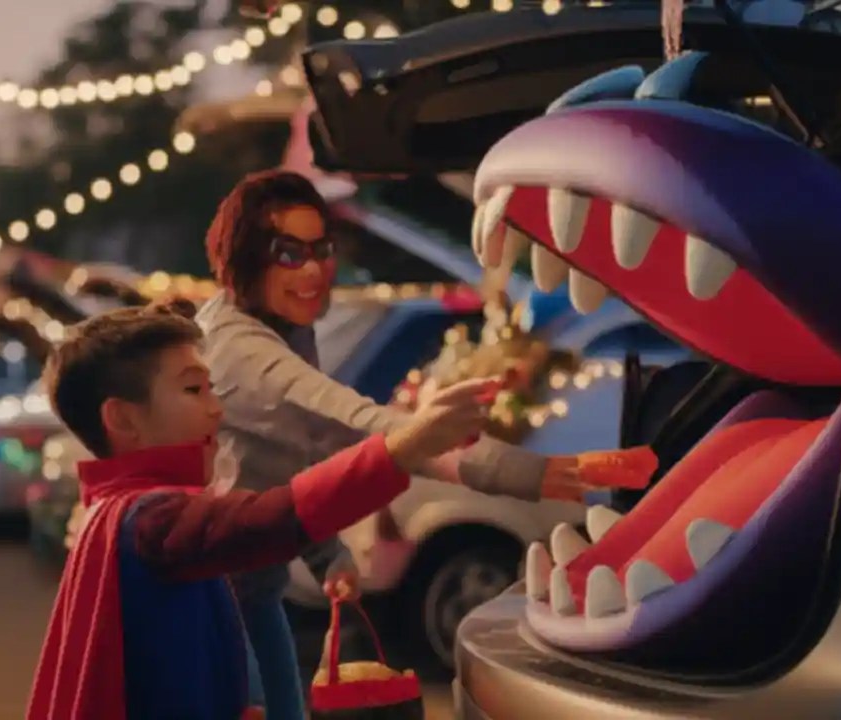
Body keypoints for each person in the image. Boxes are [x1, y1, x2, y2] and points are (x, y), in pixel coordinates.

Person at [196, 169, 657, 719]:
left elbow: (293, 461)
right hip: (211, 597)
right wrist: (525, 471)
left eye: (321, 248)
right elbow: (358, 426)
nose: (315, 269)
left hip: (255, 583)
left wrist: (327, 556)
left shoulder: (278, 326)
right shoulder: (244, 350)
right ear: (245, 257)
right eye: (288, 253)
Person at [26, 299, 501, 720]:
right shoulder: (150, 518)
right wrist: (404, 446)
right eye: (193, 391)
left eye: (213, 389)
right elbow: (270, 518)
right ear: (123, 419)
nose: (217, 410)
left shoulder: (120, 511)